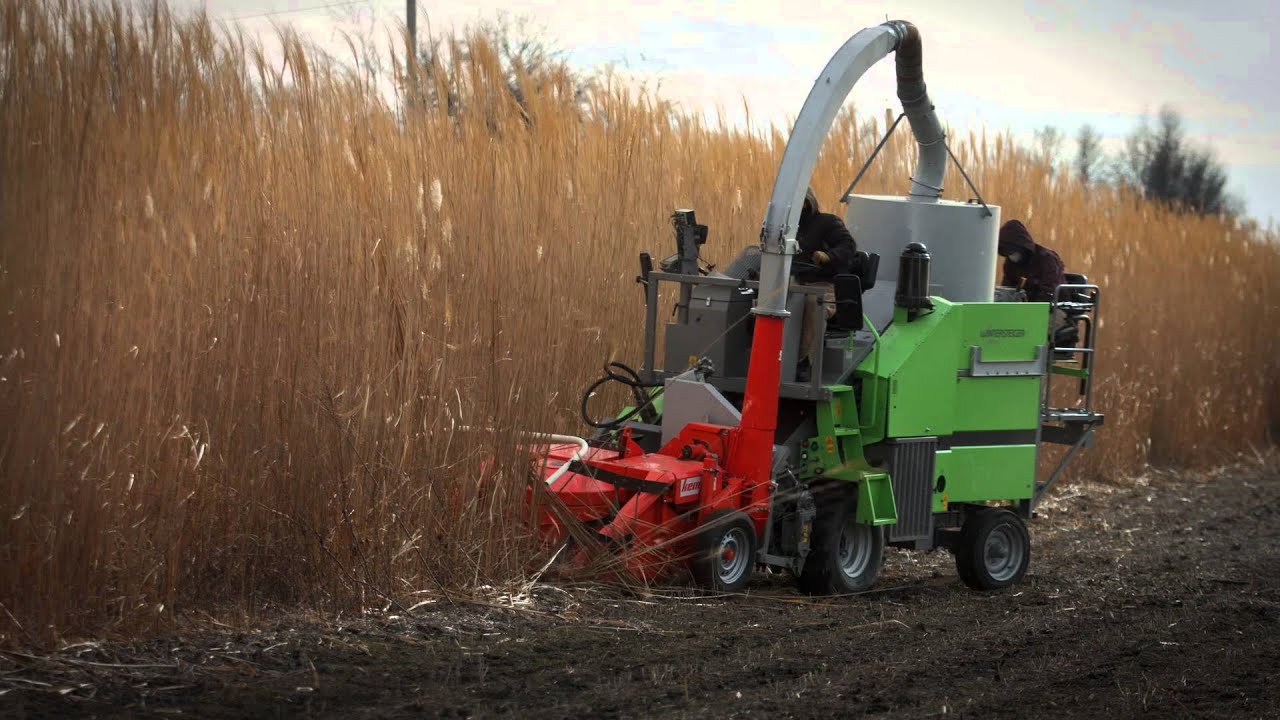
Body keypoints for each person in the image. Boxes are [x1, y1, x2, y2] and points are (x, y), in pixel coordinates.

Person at [795, 188, 857, 377]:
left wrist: (828, 256)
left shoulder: (828, 223)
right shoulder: (785, 227)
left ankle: (804, 361)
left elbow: (849, 247)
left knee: (813, 303)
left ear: (806, 202)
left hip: (825, 287)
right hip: (792, 284)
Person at [998, 219, 1066, 304]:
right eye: (1007, 253)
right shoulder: (1011, 263)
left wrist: (1032, 310)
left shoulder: (1047, 259)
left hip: (1056, 304)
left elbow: (1049, 290)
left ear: (1021, 248)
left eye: (1012, 252)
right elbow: (1007, 287)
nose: (1010, 256)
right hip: (1026, 306)